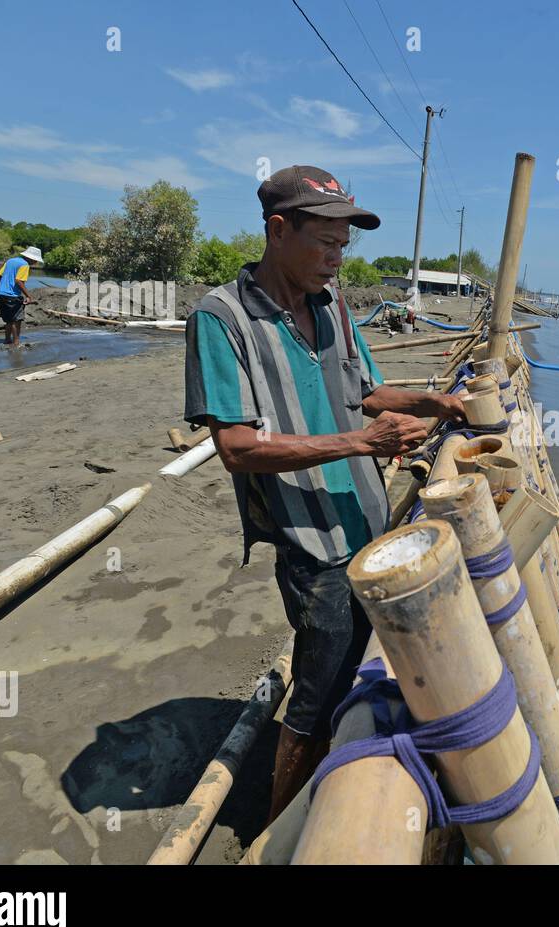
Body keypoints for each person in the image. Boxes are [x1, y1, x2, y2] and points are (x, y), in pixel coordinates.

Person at [183, 165, 467, 822]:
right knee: (316, 696)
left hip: (365, 518)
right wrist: (363, 444)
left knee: (348, 675)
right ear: (278, 230)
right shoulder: (221, 319)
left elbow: (361, 391)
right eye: (326, 243)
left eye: (345, 245)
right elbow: (238, 447)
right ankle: (278, 821)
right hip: (313, 545)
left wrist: (431, 399)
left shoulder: (331, 303)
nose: (338, 260)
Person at [0, 246, 44, 347]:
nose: (35, 262)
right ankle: (16, 342)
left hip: (1, 294)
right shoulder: (24, 265)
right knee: (16, 319)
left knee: (8, 319)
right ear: (31, 258)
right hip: (12, 296)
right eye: (35, 260)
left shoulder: (10, 261)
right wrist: (28, 296)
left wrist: (0, 288)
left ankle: (7, 340)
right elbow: (18, 281)